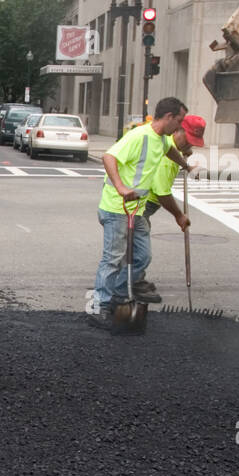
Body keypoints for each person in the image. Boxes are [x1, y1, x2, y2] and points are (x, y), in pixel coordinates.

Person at [88, 96, 196, 329]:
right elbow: (109, 157)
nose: (180, 126)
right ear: (168, 117)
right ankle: (99, 305)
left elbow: (170, 151)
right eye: (179, 120)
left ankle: (118, 295)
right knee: (113, 259)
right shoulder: (139, 136)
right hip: (117, 208)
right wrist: (121, 187)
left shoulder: (162, 139)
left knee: (142, 257)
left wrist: (185, 165)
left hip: (136, 210)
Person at [134, 113, 205, 299]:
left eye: (193, 143)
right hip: (140, 204)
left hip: (142, 203)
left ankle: (135, 280)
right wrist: (179, 216)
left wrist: (185, 157)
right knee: (141, 250)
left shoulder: (168, 143)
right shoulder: (167, 157)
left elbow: (176, 151)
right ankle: (132, 287)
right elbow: (162, 193)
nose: (189, 145)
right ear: (178, 130)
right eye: (188, 140)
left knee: (135, 243)